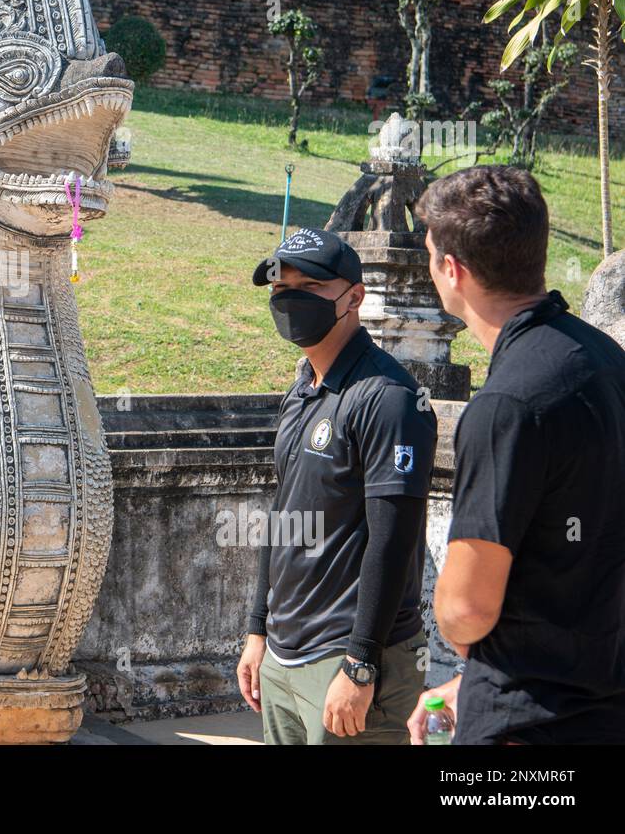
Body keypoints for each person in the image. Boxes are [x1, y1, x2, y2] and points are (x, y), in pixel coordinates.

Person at [407, 165, 625, 745]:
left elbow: (465, 610)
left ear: (452, 270)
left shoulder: (506, 406)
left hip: (529, 726)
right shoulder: (605, 360)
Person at [237, 228, 438, 743]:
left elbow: (392, 542)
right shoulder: (303, 388)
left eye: (308, 287)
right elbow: (283, 514)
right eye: (280, 288)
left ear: (354, 298)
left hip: (348, 661)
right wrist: (259, 627)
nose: (288, 300)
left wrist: (361, 664)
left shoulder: (389, 398)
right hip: (283, 653)